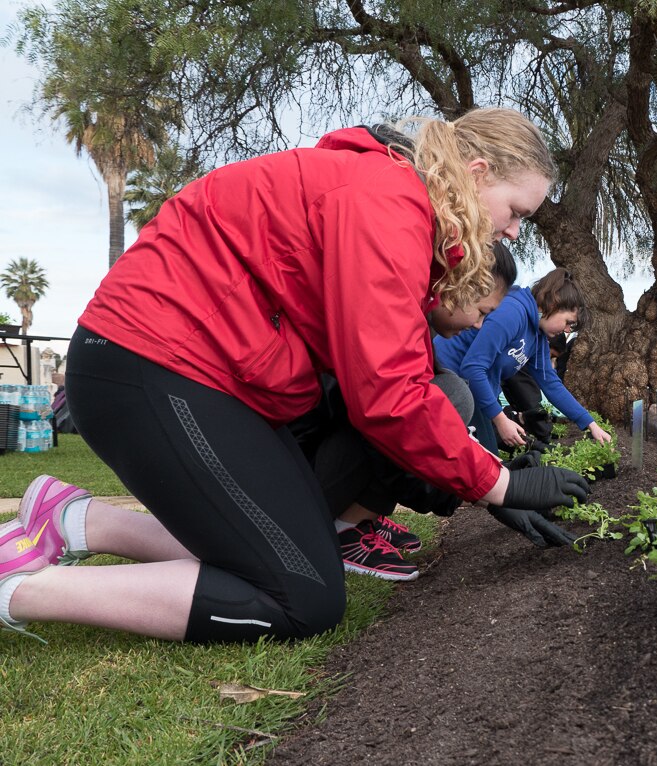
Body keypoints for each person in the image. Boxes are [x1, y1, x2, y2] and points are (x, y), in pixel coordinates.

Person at [0, 108, 590, 644]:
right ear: (478, 172)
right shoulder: (389, 201)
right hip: (154, 360)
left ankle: (73, 519)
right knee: (301, 595)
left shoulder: (395, 198)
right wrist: (499, 486)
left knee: (291, 543)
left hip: (203, 368)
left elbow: (406, 370)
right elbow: (387, 393)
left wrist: (480, 480)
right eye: (517, 212)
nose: (514, 232)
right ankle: (20, 586)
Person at [292, 241, 575, 582]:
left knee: (441, 401)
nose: (479, 326)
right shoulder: (396, 315)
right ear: (457, 284)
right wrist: (496, 490)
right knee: (449, 397)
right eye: (482, 311)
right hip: (296, 482)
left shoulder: (415, 322)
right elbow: (400, 422)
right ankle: (343, 529)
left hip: (311, 461)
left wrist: (488, 478)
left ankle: (361, 516)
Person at [434, 267, 613, 456]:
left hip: (474, 392)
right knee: (477, 459)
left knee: (488, 459)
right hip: (450, 387)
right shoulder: (512, 312)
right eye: (568, 322)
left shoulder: (537, 336)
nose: (568, 330)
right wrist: (501, 419)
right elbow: (473, 368)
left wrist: (590, 424)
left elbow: (551, 383)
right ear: (554, 303)